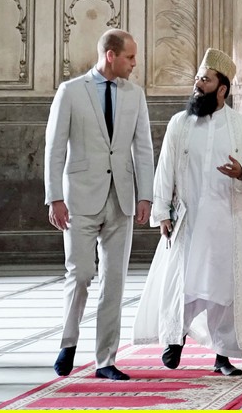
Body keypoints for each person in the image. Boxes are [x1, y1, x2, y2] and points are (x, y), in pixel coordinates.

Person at [133, 48, 242, 377]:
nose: (198, 84)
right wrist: (163, 212)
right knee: (182, 282)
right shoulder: (180, 124)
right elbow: (165, 170)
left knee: (223, 289)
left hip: (228, 222)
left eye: (205, 80)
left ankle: (222, 355)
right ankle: (174, 339)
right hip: (188, 220)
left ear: (222, 89)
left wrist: (241, 173)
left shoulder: (239, 127)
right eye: (197, 78)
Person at [45, 28, 154, 380]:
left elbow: (143, 147)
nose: (134, 64)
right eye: (130, 57)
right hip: (79, 198)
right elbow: (55, 147)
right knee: (80, 275)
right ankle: (68, 342)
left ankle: (106, 360)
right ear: (110, 55)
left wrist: (145, 195)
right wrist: (54, 197)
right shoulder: (71, 92)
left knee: (115, 280)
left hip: (121, 199)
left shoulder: (135, 95)